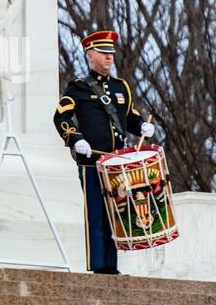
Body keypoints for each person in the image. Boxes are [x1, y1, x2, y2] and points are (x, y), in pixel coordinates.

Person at [52, 31, 155, 274]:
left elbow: (129, 117)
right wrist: (75, 138)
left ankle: (111, 265)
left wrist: (141, 126)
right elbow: (60, 116)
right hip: (92, 162)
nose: (110, 58)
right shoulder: (78, 88)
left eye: (111, 54)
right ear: (90, 56)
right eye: (104, 54)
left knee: (115, 215)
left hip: (117, 164)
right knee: (96, 214)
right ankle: (98, 266)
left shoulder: (121, 87)